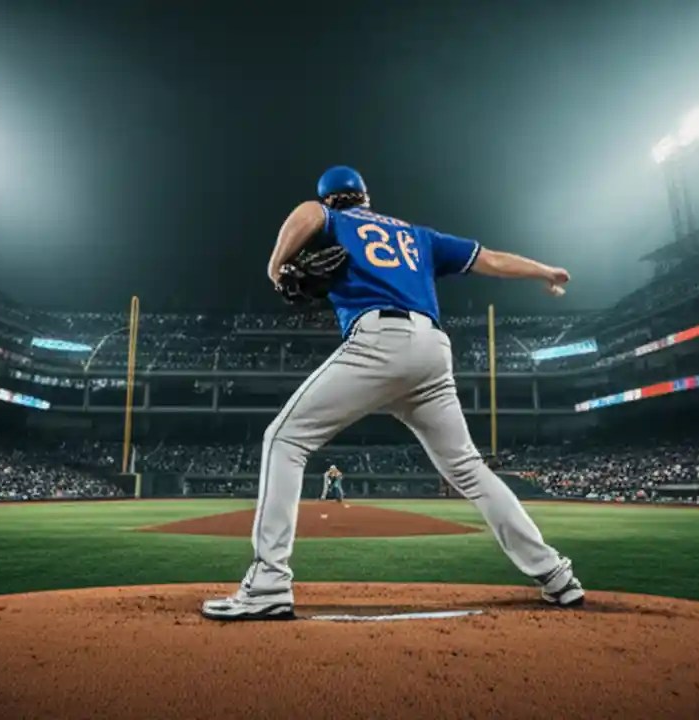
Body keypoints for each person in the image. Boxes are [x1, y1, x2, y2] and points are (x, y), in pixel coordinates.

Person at [202, 166, 583, 621]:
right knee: (469, 469)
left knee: (285, 440)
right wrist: (545, 271)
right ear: (366, 196)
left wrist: (277, 270)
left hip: (378, 341)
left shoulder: (330, 217)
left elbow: (306, 213)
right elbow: (494, 260)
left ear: (331, 198)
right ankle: (557, 576)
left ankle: (268, 583)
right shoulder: (418, 235)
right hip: (432, 352)